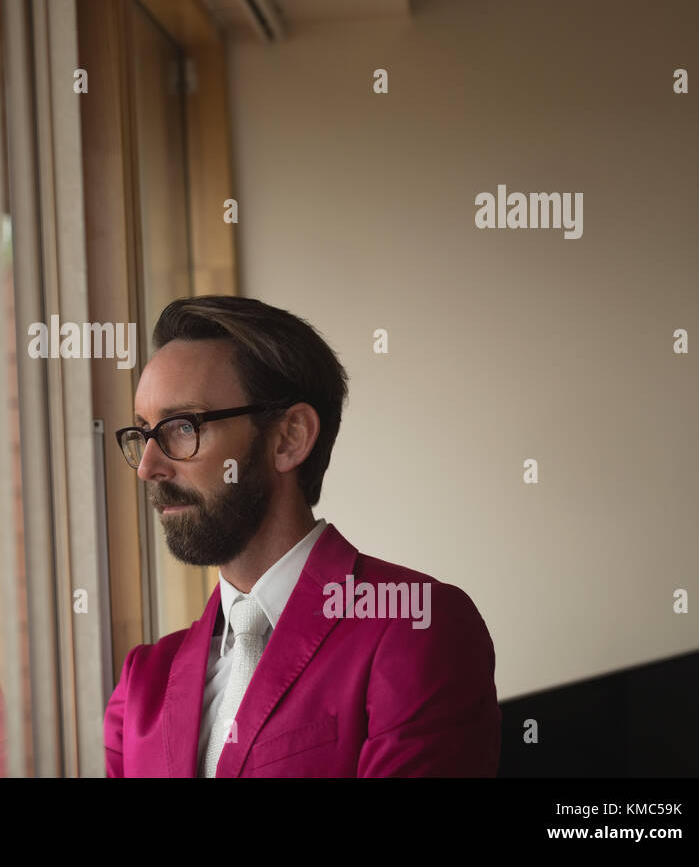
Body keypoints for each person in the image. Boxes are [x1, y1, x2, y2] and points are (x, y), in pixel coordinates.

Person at [104, 296, 500, 777]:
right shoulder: (142, 683)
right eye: (142, 433)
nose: (148, 466)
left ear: (290, 437)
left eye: (182, 427)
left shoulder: (417, 626)